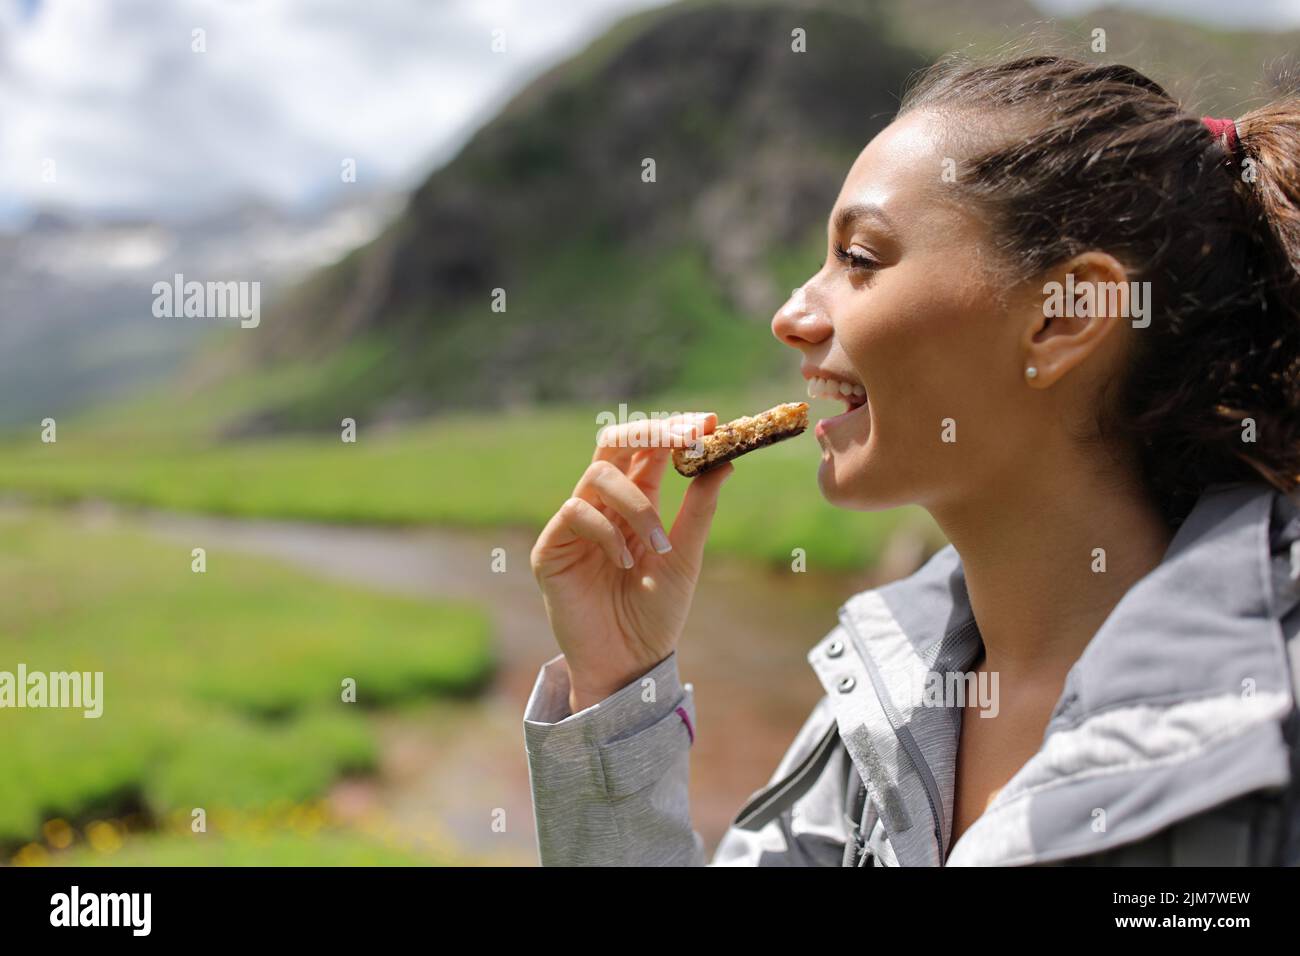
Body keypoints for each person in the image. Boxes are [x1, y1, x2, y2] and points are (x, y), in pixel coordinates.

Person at [522, 54, 1300, 866]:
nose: (791, 315)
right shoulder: (877, 706)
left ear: (1064, 318)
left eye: (859, 259)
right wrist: (614, 689)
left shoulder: (1274, 716)